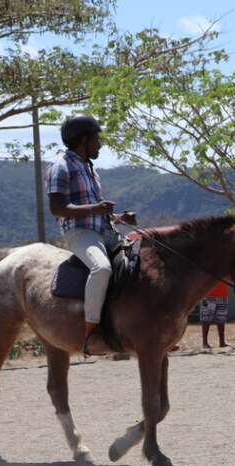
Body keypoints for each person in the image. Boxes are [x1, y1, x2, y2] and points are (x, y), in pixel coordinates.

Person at [45, 114, 133, 350]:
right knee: (101, 268)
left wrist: (119, 218)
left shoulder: (89, 169)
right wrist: (96, 208)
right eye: (96, 139)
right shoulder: (60, 167)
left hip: (105, 230)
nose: (100, 144)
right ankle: (91, 331)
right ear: (83, 140)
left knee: (140, 261)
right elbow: (57, 208)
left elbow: (95, 211)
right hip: (80, 233)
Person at [200, 281, 230, 349]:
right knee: (206, 319)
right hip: (208, 294)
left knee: (221, 319)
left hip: (223, 295)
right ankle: (205, 343)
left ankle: (222, 342)